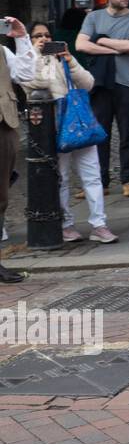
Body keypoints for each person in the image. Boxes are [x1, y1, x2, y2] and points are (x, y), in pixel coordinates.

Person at [19, 23, 116, 243]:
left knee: (92, 175)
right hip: (52, 127)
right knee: (60, 177)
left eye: (47, 35)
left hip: (78, 123)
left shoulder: (63, 60)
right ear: (30, 40)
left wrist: (70, 60)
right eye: (38, 36)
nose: (44, 39)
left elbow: (88, 83)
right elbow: (33, 83)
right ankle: (66, 224)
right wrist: (36, 53)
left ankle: (99, 224)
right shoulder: (26, 61)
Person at [77, 0, 129, 197]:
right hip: (101, 84)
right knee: (101, 133)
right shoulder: (94, 17)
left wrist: (101, 41)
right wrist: (116, 49)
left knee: (127, 133)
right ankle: (101, 182)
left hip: (127, 83)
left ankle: (128, 180)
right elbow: (80, 45)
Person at [0, 17, 36, 282]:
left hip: (4, 127)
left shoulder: (2, 51)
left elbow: (26, 75)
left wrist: (22, 38)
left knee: (0, 199)